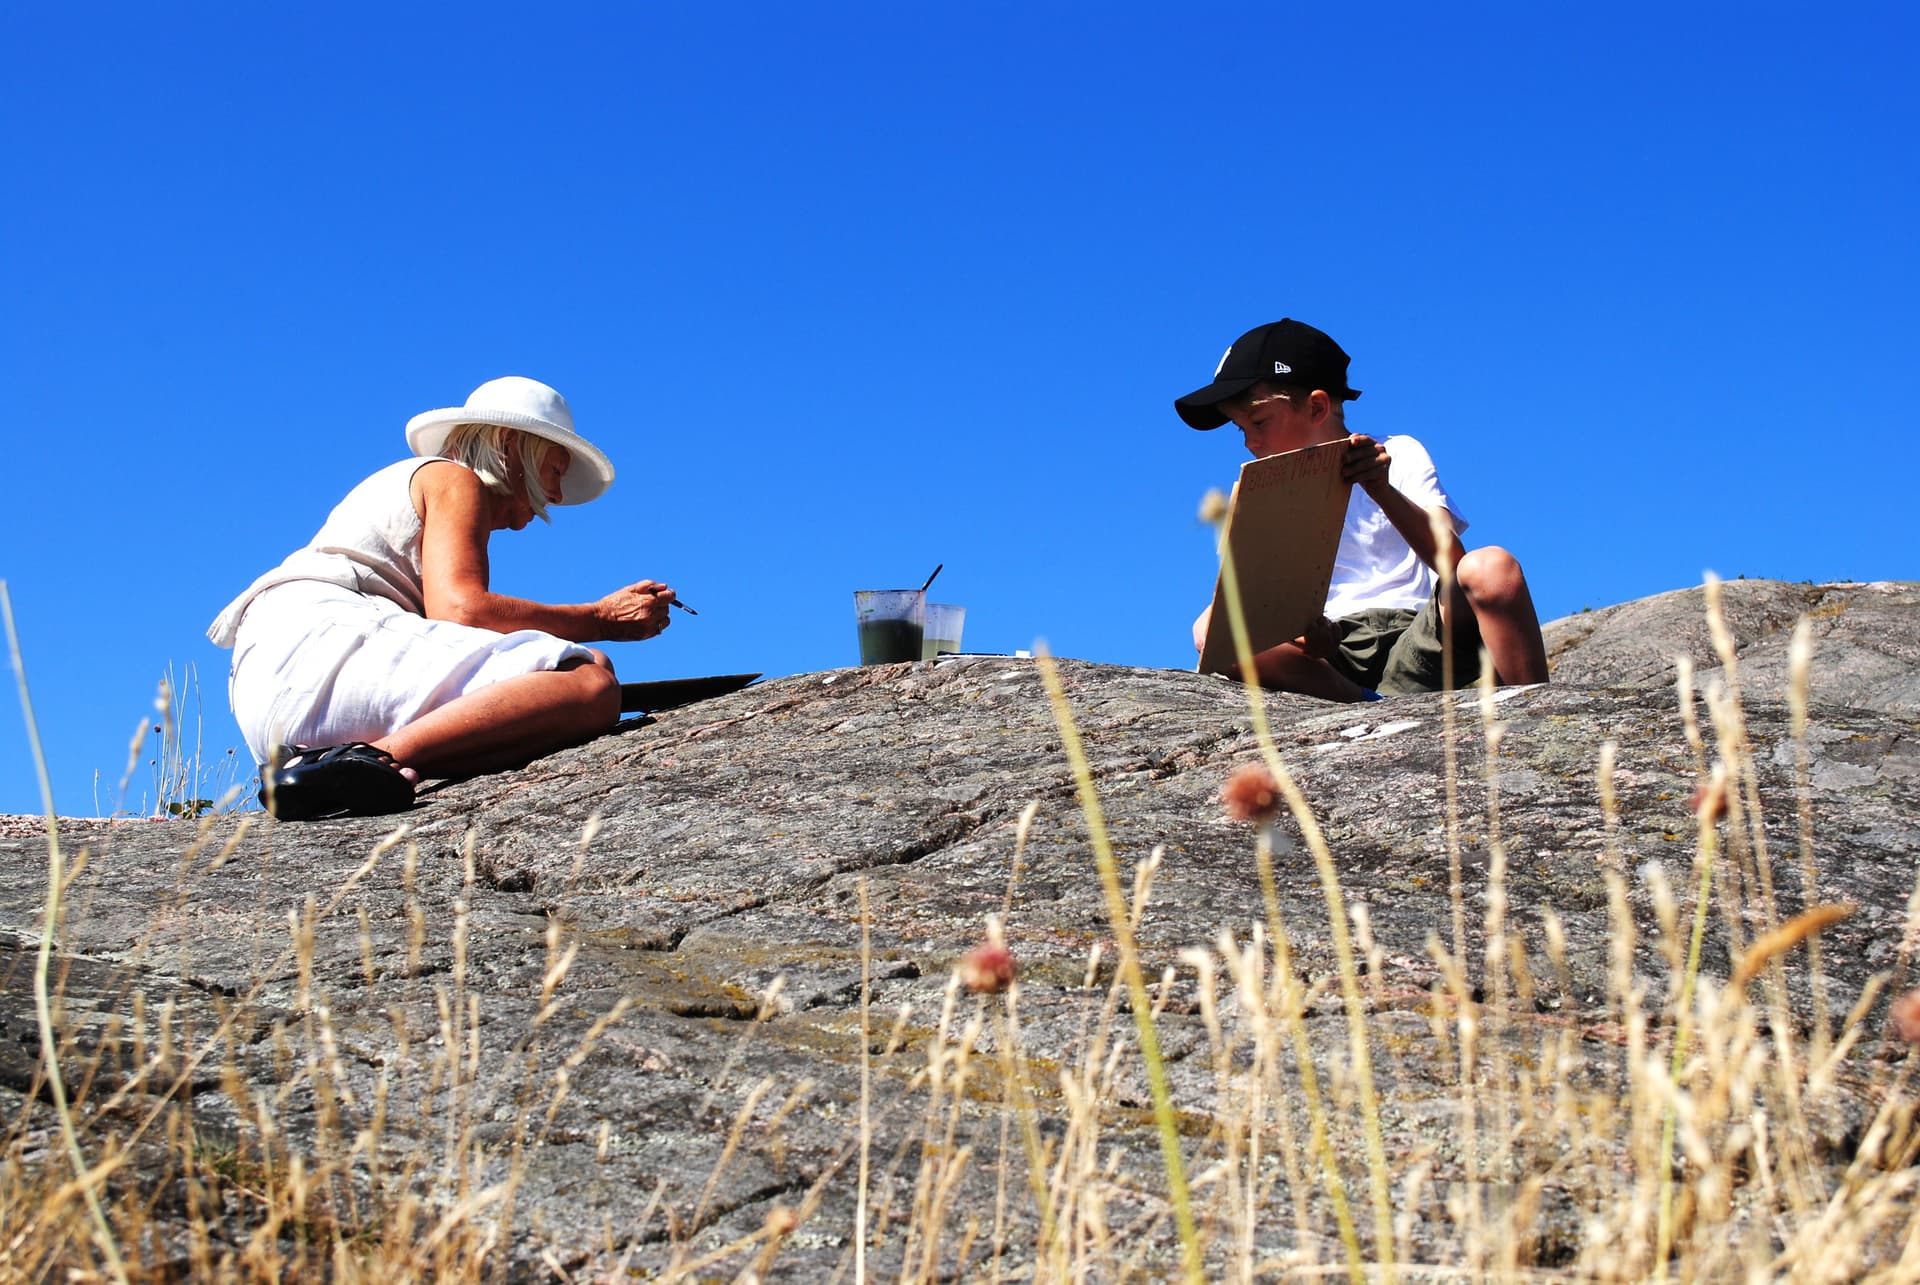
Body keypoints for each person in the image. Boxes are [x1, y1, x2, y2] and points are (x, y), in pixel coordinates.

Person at [208, 376, 678, 819]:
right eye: (554, 470)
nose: (553, 494)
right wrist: (600, 618)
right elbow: (462, 610)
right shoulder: (454, 478)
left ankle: (333, 767)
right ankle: (357, 763)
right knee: (588, 680)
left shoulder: (415, 483)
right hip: (322, 645)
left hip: (273, 689)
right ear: (511, 445)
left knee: (567, 700)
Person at [1176, 318, 1547, 702]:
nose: (1250, 441)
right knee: (1209, 629)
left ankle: (1531, 716)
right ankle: (1363, 704)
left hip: (1422, 637)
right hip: (1332, 662)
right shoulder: (1257, 494)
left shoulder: (1398, 452)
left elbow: (1451, 560)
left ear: (1317, 407)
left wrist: (1380, 488)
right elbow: (1249, 607)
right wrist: (1306, 637)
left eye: (1259, 421)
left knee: (1491, 568)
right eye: (1241, 429)